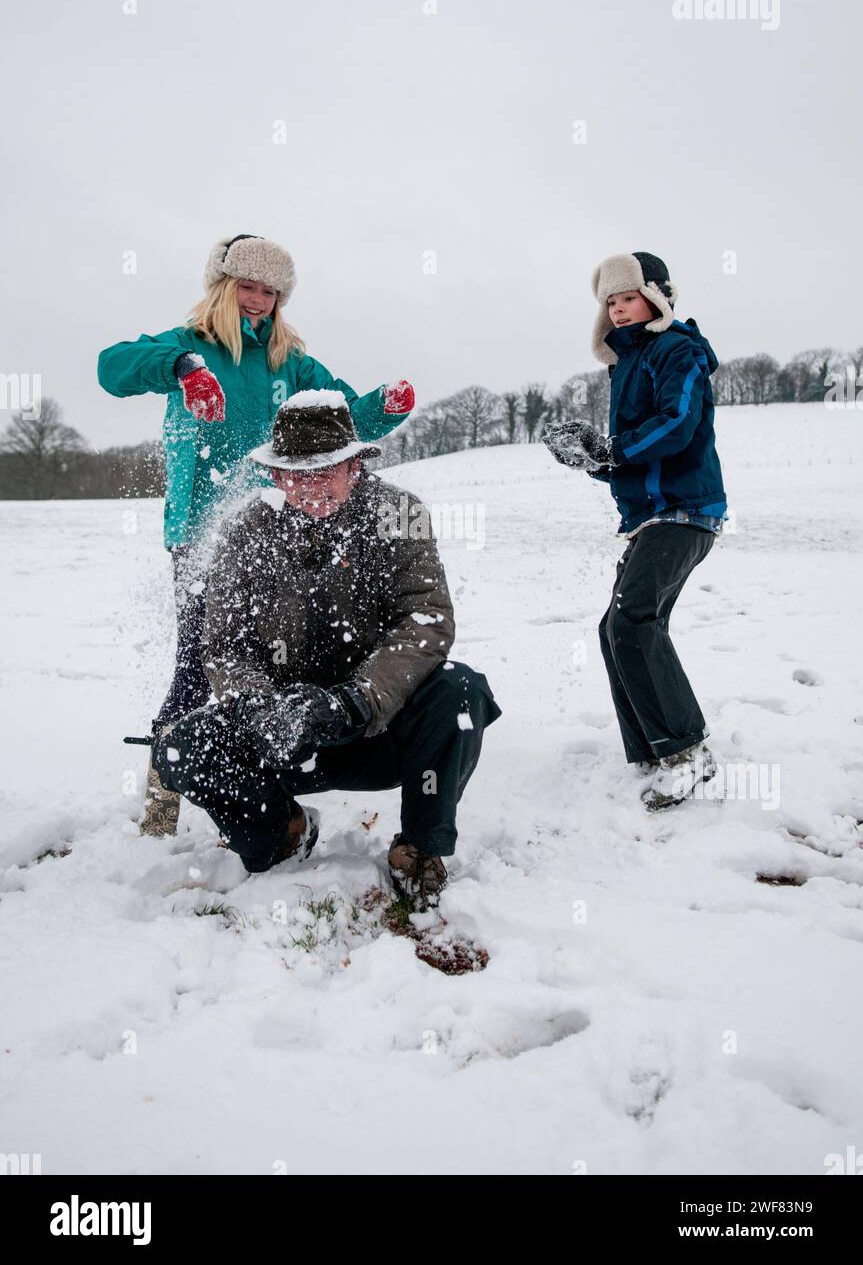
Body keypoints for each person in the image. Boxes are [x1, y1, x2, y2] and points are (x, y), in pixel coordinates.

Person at [97, 233, 415, 836]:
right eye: (249, 286)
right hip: (201, 535)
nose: (260, 300)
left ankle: (278, 774)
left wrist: (384, 406)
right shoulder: (189, 345)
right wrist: (181, 369)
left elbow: (341, 416)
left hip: (275, 531)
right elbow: (110, 368)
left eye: (271, 291)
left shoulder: (289, 362)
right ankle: (163, 796)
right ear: (223, 285)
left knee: (275, 654)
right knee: (199, 661)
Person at [152, 391, 501, 907]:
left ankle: (419, 848)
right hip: (286, 739)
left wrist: (357, 699)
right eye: (296, 473)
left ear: (354, 464)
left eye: (327, 469)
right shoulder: (246, 530)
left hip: (379, 726)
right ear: (274, 474)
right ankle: (282, 830)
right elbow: (224, 647)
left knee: (461, 690)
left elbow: (426, 618)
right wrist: (262, 709)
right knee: (181, 747)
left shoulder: (398, 512)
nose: (311, 485)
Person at [543, 252, 727, 810]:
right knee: (615, 629)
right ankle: (652, 747)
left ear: (658, 297)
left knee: (634, 619)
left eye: (628, 297)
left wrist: (612, 449)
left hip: (687, 510)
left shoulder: (679, 351)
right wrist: (592, 461)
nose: (619, 309)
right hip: (650, 518)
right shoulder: (624, 367)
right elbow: (633, 460)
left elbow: (677, 424)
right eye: (611, 302)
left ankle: (688, 752)